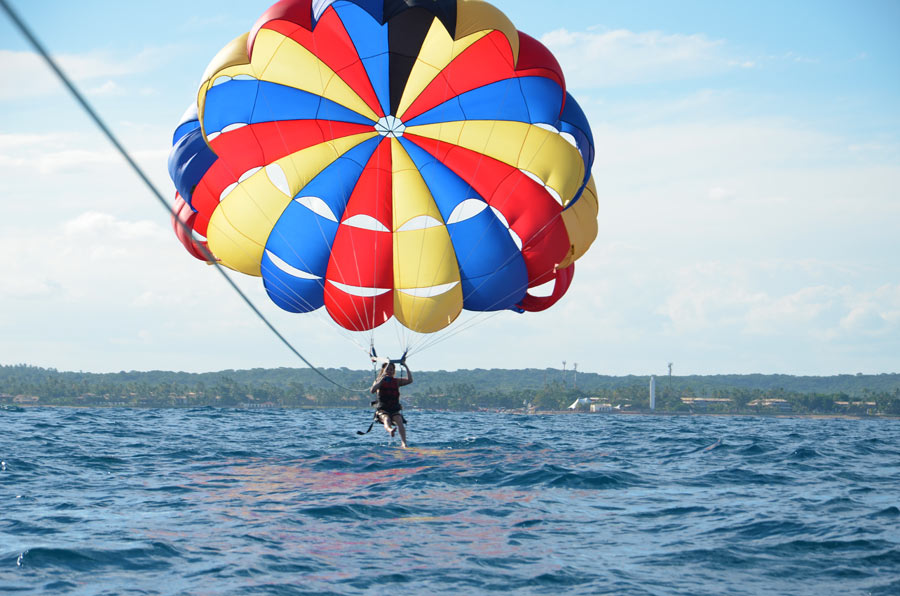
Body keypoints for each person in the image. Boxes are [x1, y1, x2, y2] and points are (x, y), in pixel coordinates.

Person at [370, 362, 412, 448]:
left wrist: (405, 366)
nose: (390, 371)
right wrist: (382, 379)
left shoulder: (396, 381)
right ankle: (390, 430)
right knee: (386, 419)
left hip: (394, 409)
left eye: (392, 369)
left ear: (394, 371)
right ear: (383, 371)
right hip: (383, 409)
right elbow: (372, 390)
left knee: (399, 420)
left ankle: (404, 443)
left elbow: (410, 380)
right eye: (387, 369)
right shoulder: (379, 381)